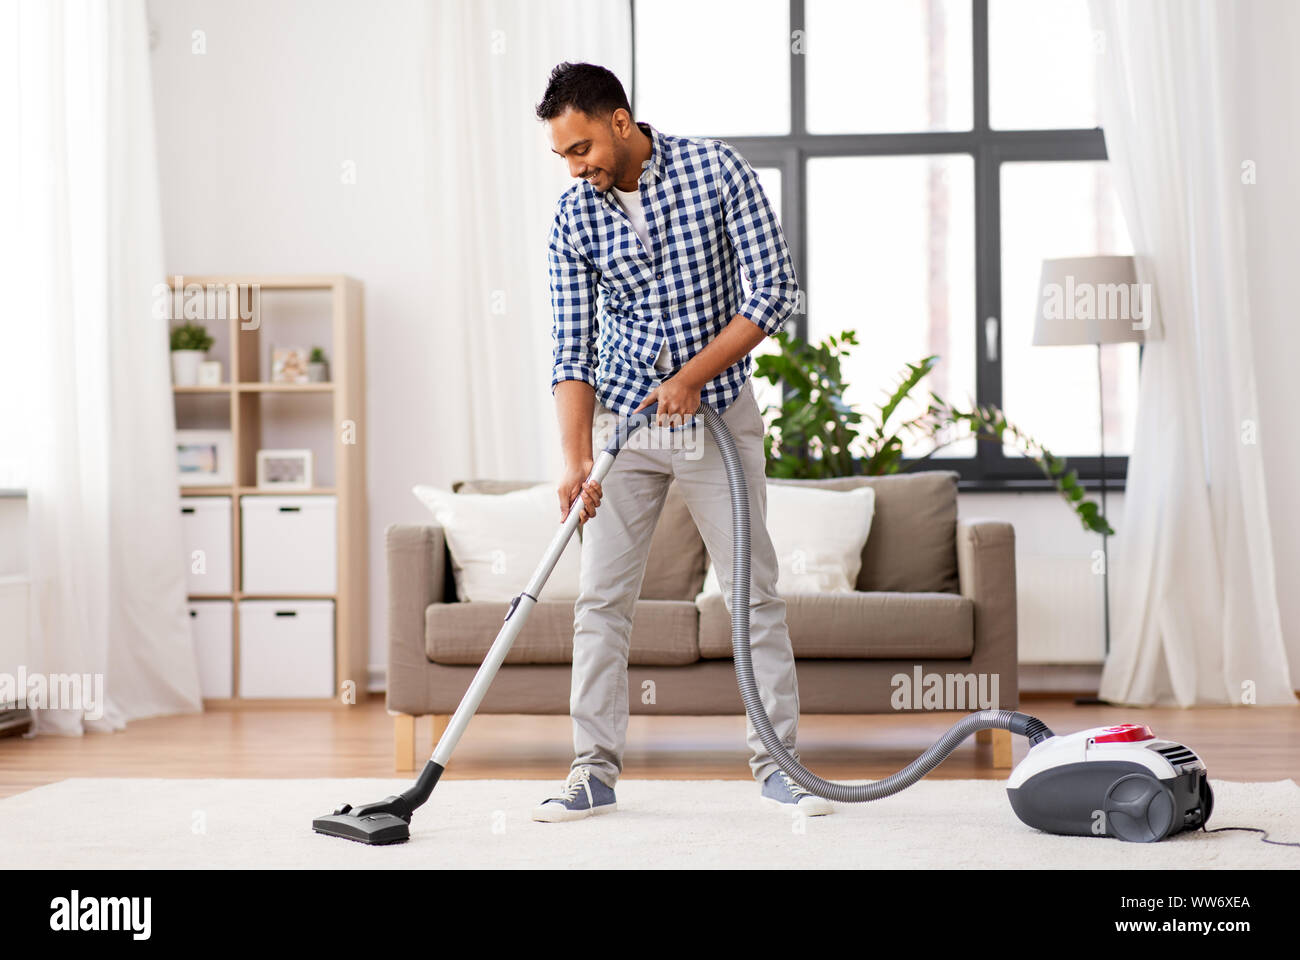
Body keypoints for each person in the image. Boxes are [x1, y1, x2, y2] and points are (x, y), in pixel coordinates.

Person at [532, 62, 830, 821]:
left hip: (718, 415)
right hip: (625, 426)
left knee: (752, 595)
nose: (576, 167)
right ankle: (592, 772)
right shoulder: (573, 218)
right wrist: (575, 462)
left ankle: (780, 767)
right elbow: (572, 349)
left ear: (620, 121)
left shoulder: (714, 169)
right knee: (601, 601)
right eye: (563, 155)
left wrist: (693, 376)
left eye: (581, 148)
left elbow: (775, 291)